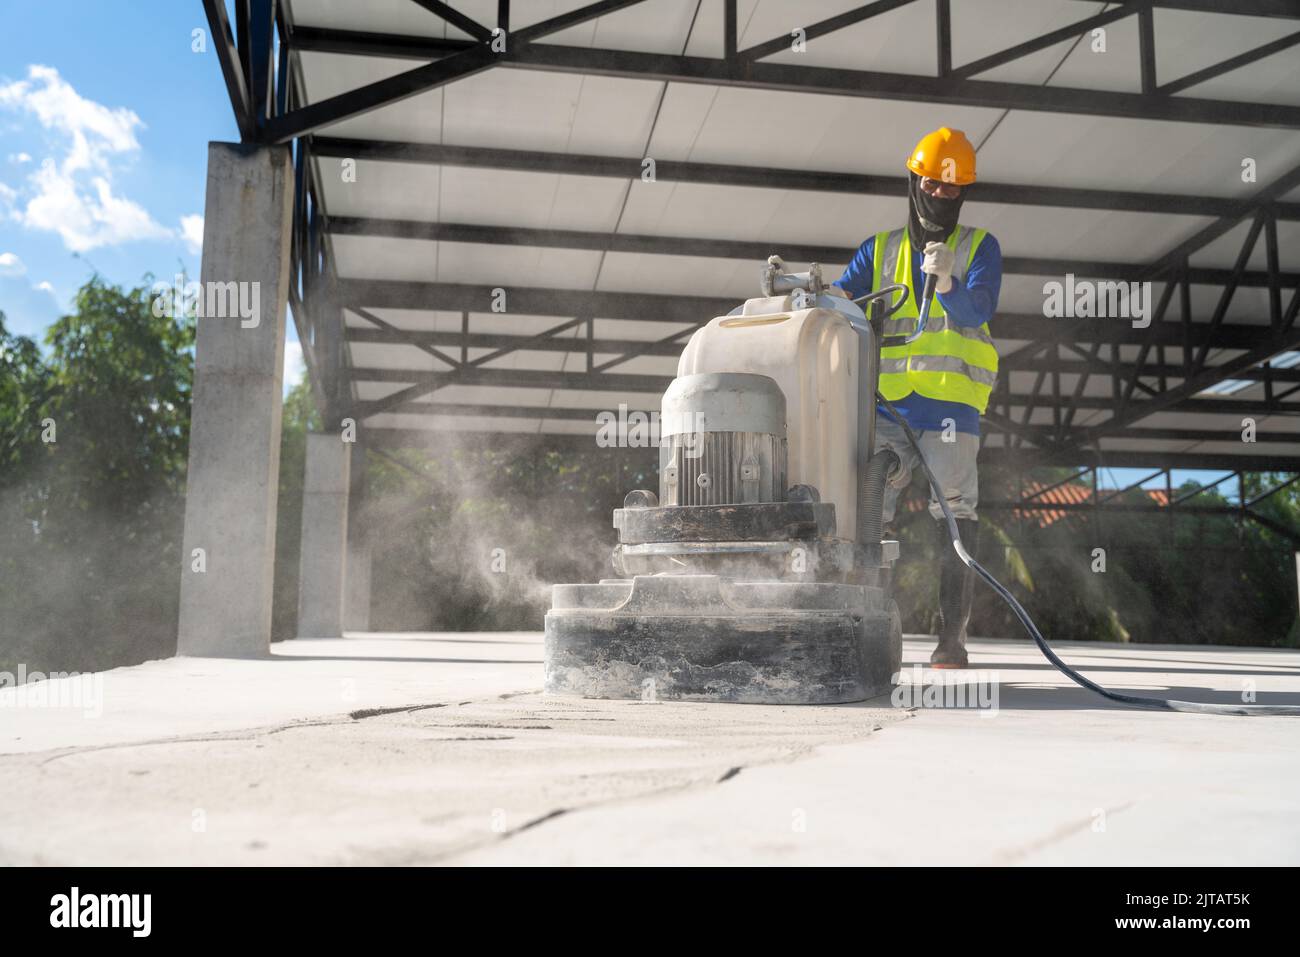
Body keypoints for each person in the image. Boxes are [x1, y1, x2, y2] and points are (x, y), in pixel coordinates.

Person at [831, 127, 1002, 669]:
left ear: (965, 193)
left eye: (954, 191)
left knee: (955, 516)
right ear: (915, 181)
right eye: (933, 185)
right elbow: (840, 302)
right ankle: (866, 632)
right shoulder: (878, 250)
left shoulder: (979, 247)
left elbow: (978, 312)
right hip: (885, 408)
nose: (941, 198)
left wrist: (949, 285)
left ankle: (952, 639)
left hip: (952, 410)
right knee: (868, 514)